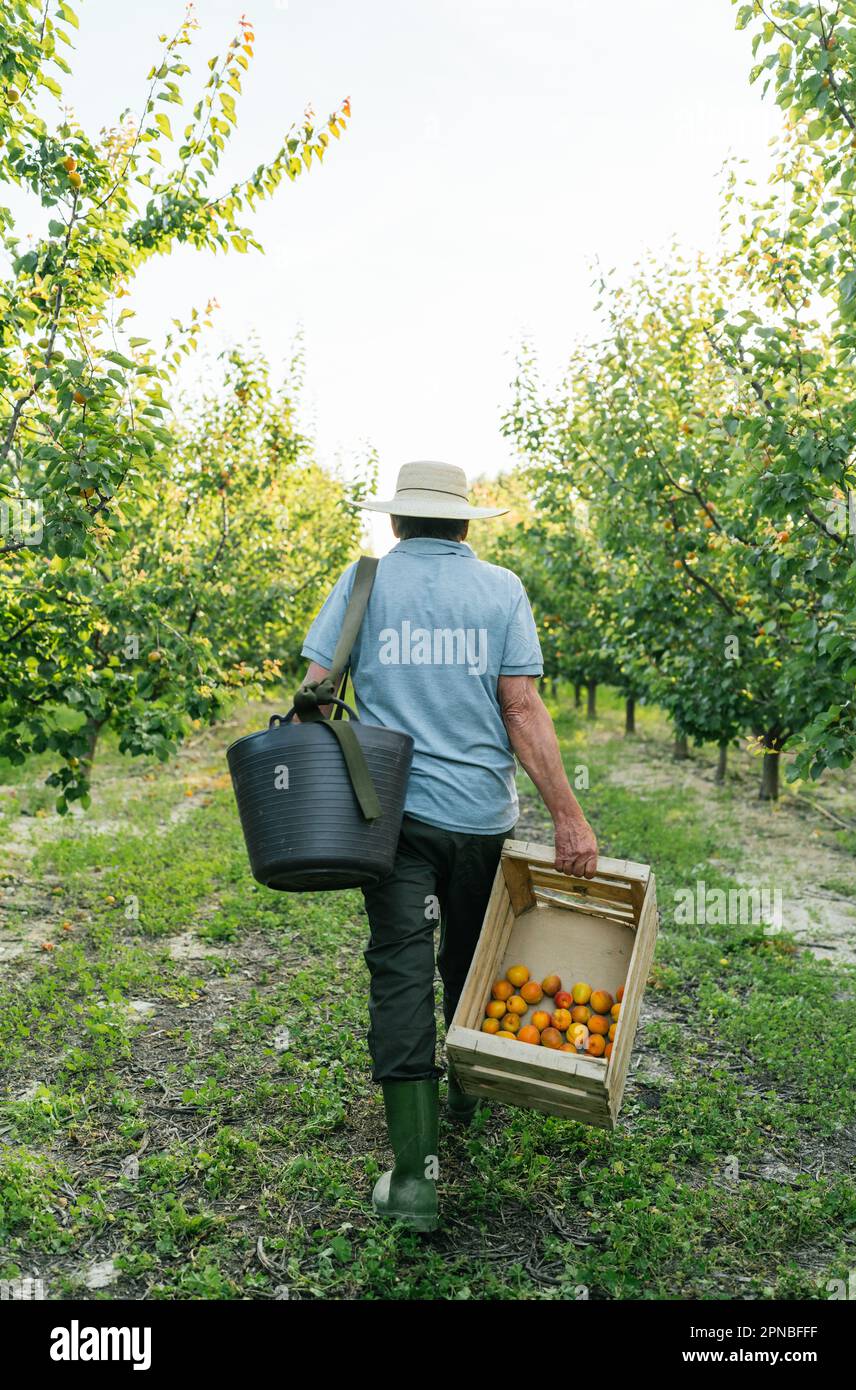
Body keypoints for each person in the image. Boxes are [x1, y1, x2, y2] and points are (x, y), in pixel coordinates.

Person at [299, 460, 598, 1231]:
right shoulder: (500, 590)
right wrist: (567, 816)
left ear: (396, 523)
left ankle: (411, 1180)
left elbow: (315, 689)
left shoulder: (363, 582)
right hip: (478, 817)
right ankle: (464, 1091)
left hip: (386, 813)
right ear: (466, 523)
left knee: (399, 969)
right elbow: (521, 708)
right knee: (469, 959)